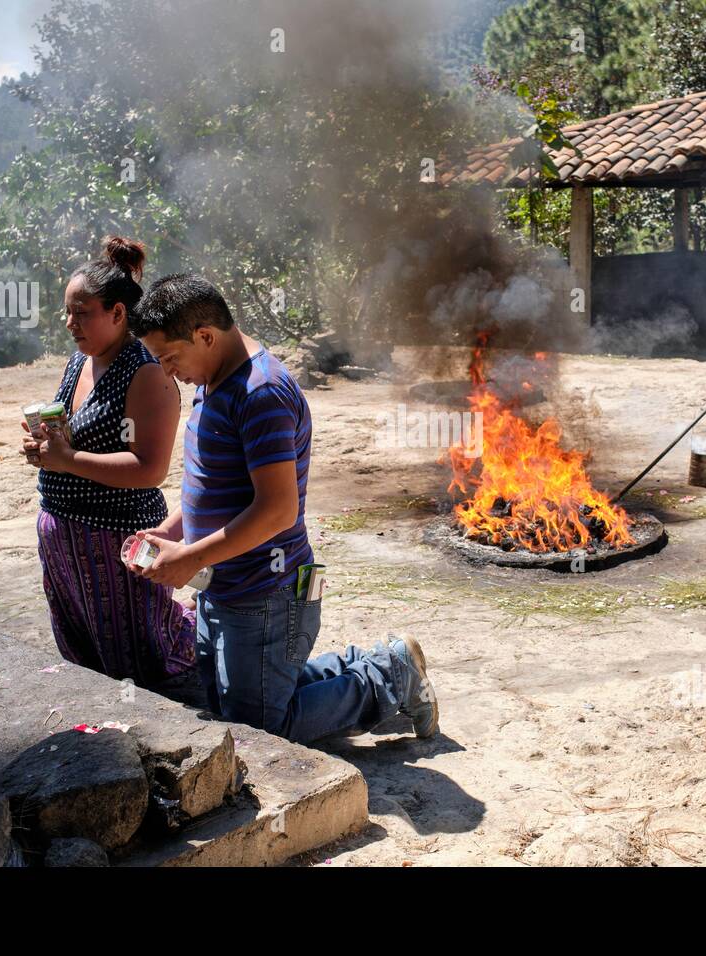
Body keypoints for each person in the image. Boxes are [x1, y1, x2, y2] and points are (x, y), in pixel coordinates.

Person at [124, 273, 438, 744]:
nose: (167, 371)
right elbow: (215, 483)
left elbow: (277, 510)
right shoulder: (213, 378)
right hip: (225, 585)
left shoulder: (260, 394)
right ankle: (383, 661)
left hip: (267, 592)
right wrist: (170, 533)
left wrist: (191, 557)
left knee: (264, 727)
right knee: (235, 702)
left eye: (169, 358)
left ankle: (391, 679)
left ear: (206, 336)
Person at [22, 237, 196, 686]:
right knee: (87, 659)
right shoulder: (79, 362)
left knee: (143, 660)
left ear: (118, 313)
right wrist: (46, 449)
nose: (69, 323)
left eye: (81, 313)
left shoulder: (146, 373)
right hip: (64, 536)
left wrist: (67, 459)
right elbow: (74, 445)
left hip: (114, 540)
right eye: (67, 312)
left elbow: (149, 468)